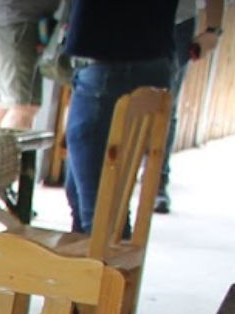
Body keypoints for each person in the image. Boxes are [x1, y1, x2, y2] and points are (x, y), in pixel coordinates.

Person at [60, 0, 219, 235]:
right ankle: (96, 266)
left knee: (100, 214)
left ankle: (106, 268)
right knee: (91, 199)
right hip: (150, 57)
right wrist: (214, 29)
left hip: (106, 61)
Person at [157, 0, 223, 214]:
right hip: (120, 16)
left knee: (165, 104)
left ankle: (158, 180)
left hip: (177, 21)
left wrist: (213, 29)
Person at [0, 0, 62, 130]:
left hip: (19, 23)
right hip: (21, 24)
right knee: (24, 106)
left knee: (9, 103)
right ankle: (7, 150)